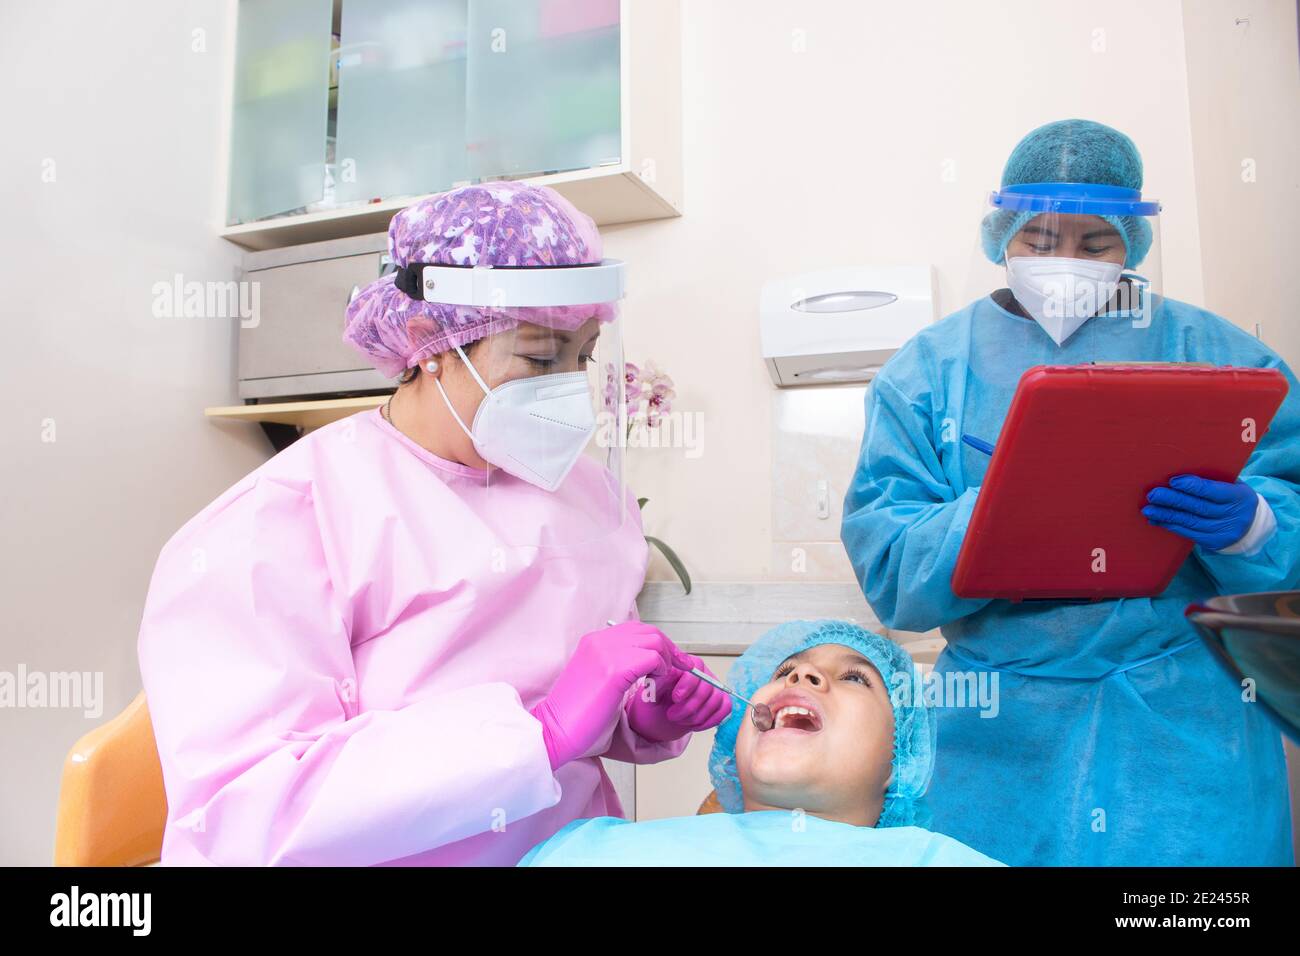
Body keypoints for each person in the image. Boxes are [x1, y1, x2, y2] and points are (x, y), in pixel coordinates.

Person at [136, 181, 729, 865]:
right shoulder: (279, 524)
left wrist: (639, 718)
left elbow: (585, 695)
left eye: (584, 354)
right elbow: (246, 818)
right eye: (539, 356)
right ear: (428, 342)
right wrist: (537, 737)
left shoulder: (591, 499)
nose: (569, 384)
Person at [841, 119, 1299, 866]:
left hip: (1186, 728)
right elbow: (890, 568)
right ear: (1002, 236)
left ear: (1134, 245)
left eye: (1094, 246)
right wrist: (997, 512)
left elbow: (1291, 513)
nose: (1064, 262)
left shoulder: (1216, 354)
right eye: (1040, 240)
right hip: (1000, 734)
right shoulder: (928, 372)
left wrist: (1257, 527)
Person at [519, 620, 1002, 866]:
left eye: (855, 679)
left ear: (901, 761)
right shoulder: (589, 850)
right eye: (785, 672)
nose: (804, 674)